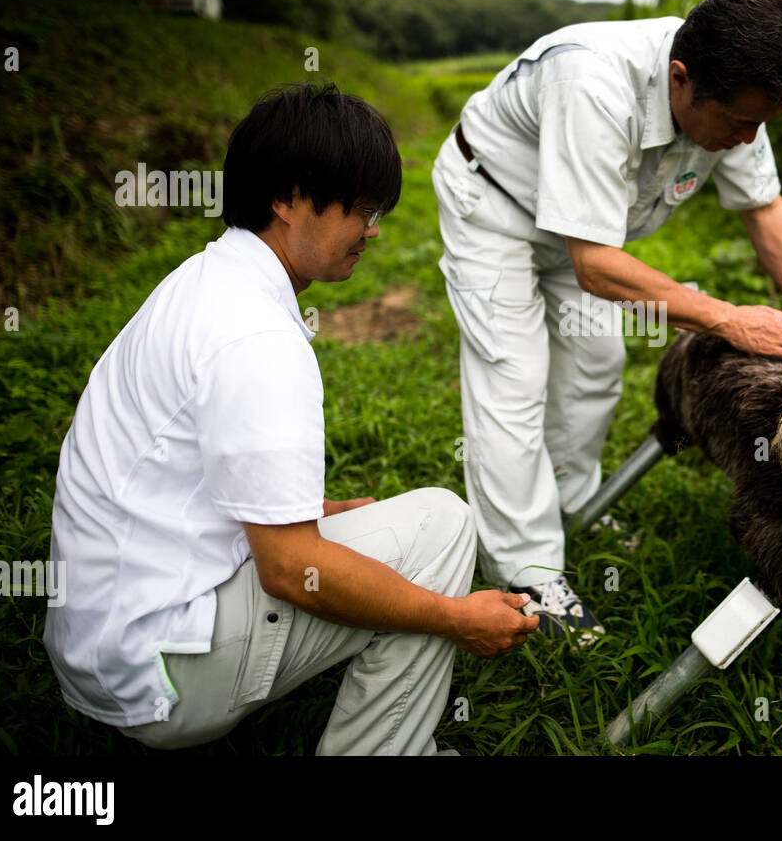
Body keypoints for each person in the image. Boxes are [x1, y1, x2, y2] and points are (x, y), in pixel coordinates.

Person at [44, 82, 537, 756]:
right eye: (359, 206)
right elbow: (288, 570)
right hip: (162, 672)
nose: (373, 228)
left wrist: (317, 510)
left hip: (103, 636)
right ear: (286, 197)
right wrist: (454, 618)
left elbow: (192, 477)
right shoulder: (257, 338)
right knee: (444, 528)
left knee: (386, 532)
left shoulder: (202, 280)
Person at [432, 0, 782, 639]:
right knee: (513, 376)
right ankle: (528, 574)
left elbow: (764, 207)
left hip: (583, 231)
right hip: (496, 208)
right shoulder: (592, 81)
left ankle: (576, 499)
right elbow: (594, 263)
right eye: (737, 124)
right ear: (680, 79)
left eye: (760, 124)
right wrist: (727, 316)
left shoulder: (733, 87)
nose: (747, 138)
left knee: (595, 361)